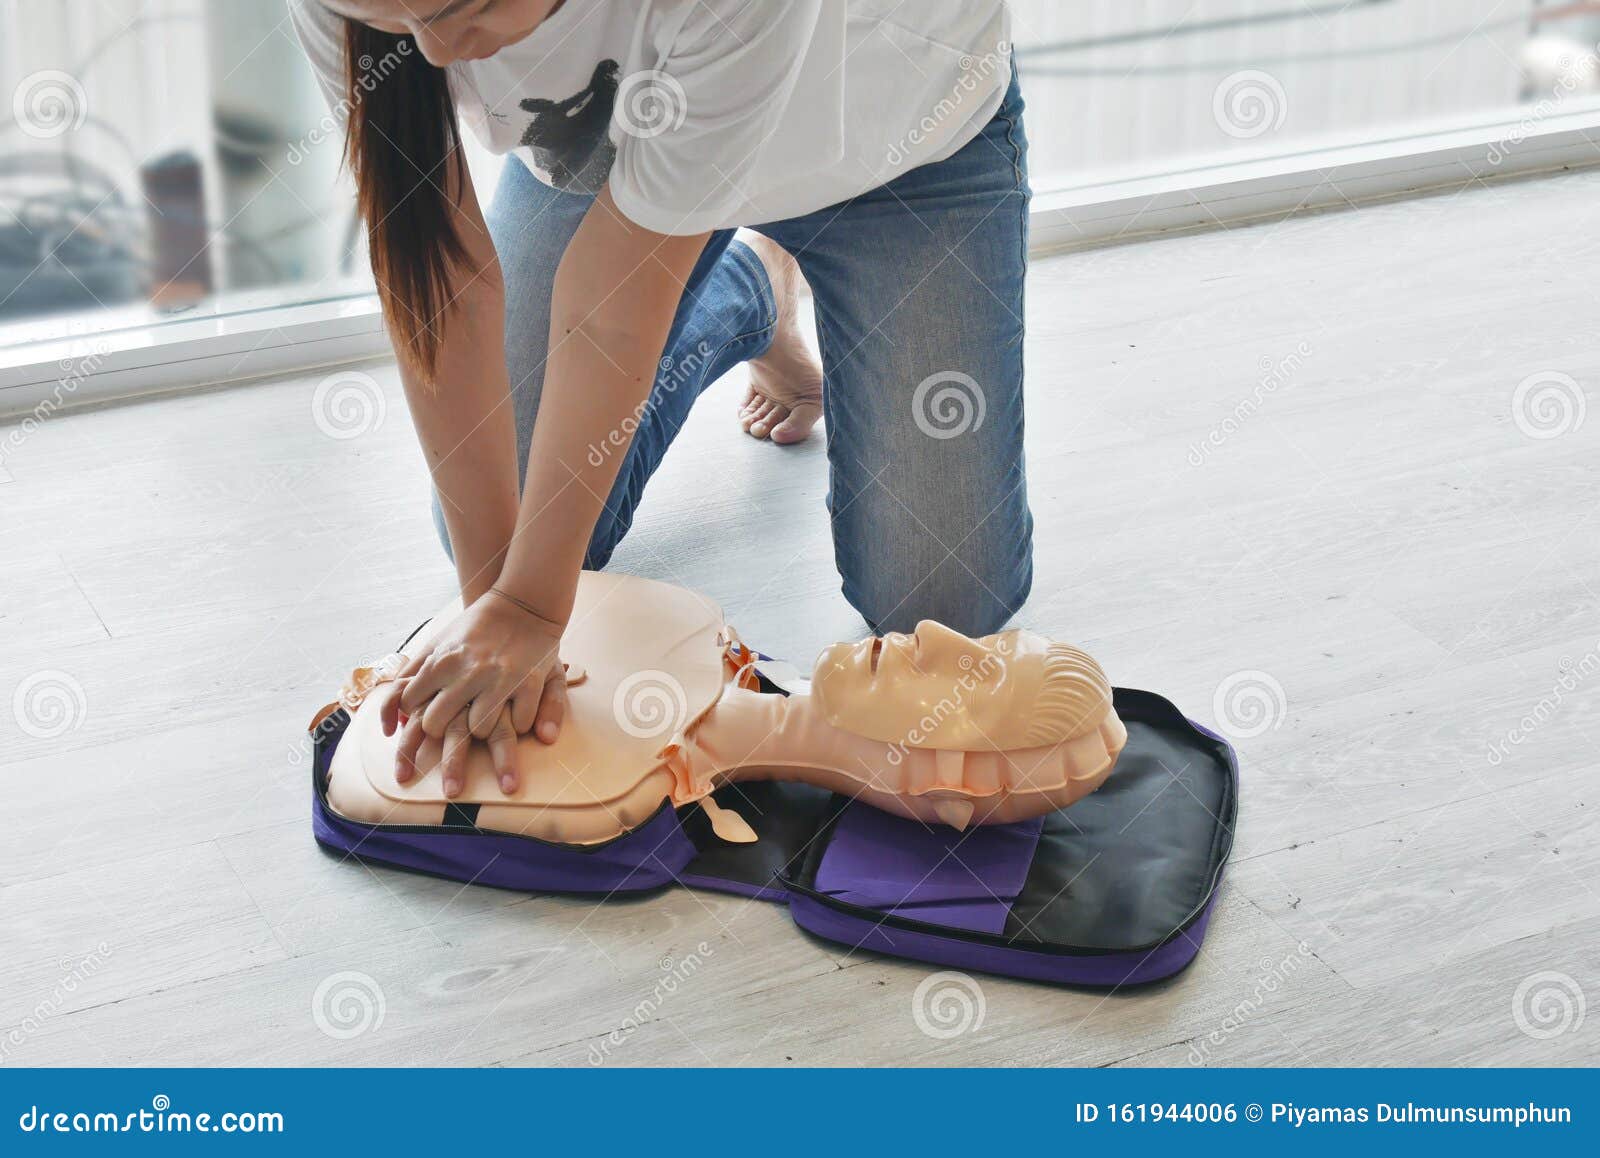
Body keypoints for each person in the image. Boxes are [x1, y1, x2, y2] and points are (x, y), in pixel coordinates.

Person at [289, 0, 1034, 796]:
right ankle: (749, 294)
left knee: (940, 602)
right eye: (399, 24)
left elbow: (611, 315)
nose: (434, 53)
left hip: (893, 139)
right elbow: (440, 277)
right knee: (505, 529)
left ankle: (755, 263)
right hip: (620, 147)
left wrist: (537, 612)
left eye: (464, 6)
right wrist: (501, 608)